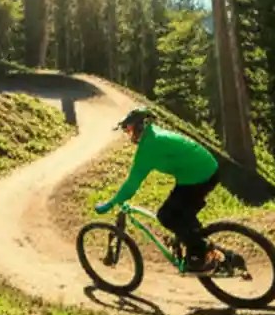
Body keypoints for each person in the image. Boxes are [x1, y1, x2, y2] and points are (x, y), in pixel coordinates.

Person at [95, 108, 223, 273]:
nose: (128, 134)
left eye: (129, 129)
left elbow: (131, 185)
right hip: (203, 170)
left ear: (139, 127)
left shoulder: (149, 146)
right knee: (183, 216)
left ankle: (202, 255)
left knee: (166, 216)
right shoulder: (154, 135)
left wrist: (110, 203)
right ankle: (214, 252)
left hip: (198, 176)